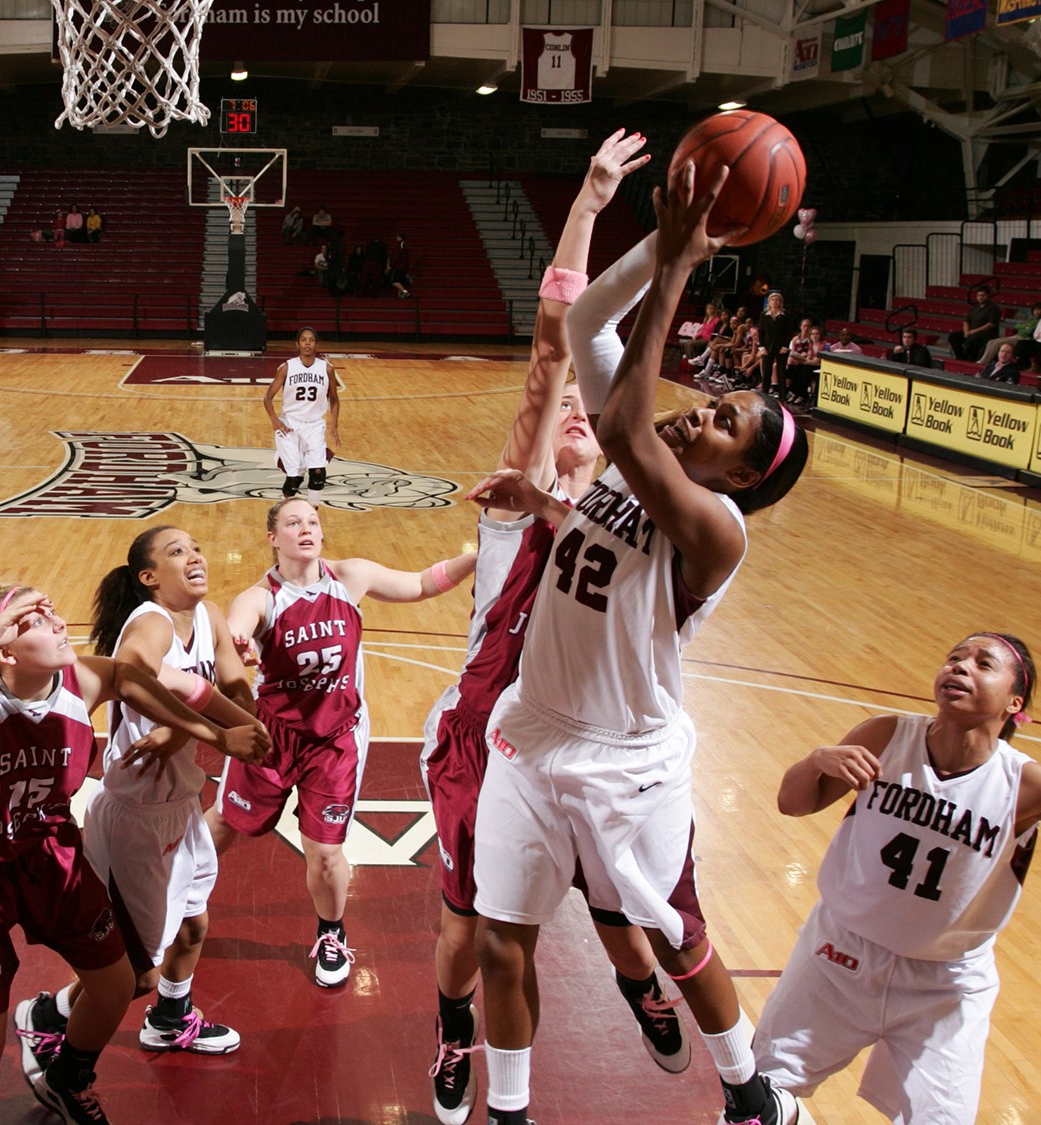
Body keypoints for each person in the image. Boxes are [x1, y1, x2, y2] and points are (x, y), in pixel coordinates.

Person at [464, 158, 810, 1125]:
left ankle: (750, 1091)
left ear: (739, 477)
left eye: (728, 421)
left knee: (677, 935)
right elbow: (584, 328)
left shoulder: (716, 528)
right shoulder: (646, 457)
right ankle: (511, 1113)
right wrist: (663, 239)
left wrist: (680, 270)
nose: (708, 405)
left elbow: (620, 423)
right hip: (532, 731)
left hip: (628, 763)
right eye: (720, 397)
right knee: (503, 938)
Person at [418, 130, 687, 1125]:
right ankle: (453, 1030)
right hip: (487, 744)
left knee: (627, 916)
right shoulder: (509, 502)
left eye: (589, 401)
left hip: (595, 741)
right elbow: (548, 347)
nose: (572, 406)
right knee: (465, 941)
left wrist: (676, 256)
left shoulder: (627, 502)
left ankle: (636, 980)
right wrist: (589, 196)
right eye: (565, 401)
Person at [0, 574, 267, 1125]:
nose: (58, 623)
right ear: (2, 647)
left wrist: (215, 733)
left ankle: (67, 1075)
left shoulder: (82, 681)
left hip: (48, 850)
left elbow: (132, 678)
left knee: (117, 981)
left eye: (52, 611)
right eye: (33, 621)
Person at [755, 633, 1041, 1125]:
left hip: (944, 987)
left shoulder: (1031, 786)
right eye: (953, 658)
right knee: (758, 1101)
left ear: (1015, 702)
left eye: (982, 663)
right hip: (837, 956)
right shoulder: (885, 736)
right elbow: (793, 803)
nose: (960, 667)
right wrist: (816, 761)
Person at [13, 526, 269, 1088]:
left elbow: (234, 685)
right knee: (131, 975)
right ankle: (51, 1021)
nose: (195, 555)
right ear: (149, 578)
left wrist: (225, 721)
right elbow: (131, 673)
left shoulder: (210, 618)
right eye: (177, 552)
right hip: (136, 816)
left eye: (197, 547)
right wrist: (208, 730)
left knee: (194, 927)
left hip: (180, 803)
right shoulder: (151, 621)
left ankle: (171, 1020)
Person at [214, 498, 475, 989]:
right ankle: (169, 891)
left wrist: (482, 555)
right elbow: (236, 628)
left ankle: (331, 932)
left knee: (328, 853)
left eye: (313, 521)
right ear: (273, 538)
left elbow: (421, 583)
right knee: (227, 821)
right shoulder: (262, 597)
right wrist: (239, 643)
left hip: (336, 740)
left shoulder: (350, 577)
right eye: (293, 523)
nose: (306, 529)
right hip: (272, 736)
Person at [263, 327, 340, 502]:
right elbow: (267, 398)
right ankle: (286, 510)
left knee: (318, 472)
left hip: (314, 425)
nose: (307, 343)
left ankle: (313, 511)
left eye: (311, 340)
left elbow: (334, 399)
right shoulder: (287, 367)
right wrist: (274, 420)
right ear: (297, 344)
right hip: (290, 424)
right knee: (294, 478)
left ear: (316, 344)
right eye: (303, 340)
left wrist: (334, 424)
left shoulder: (326, 369)